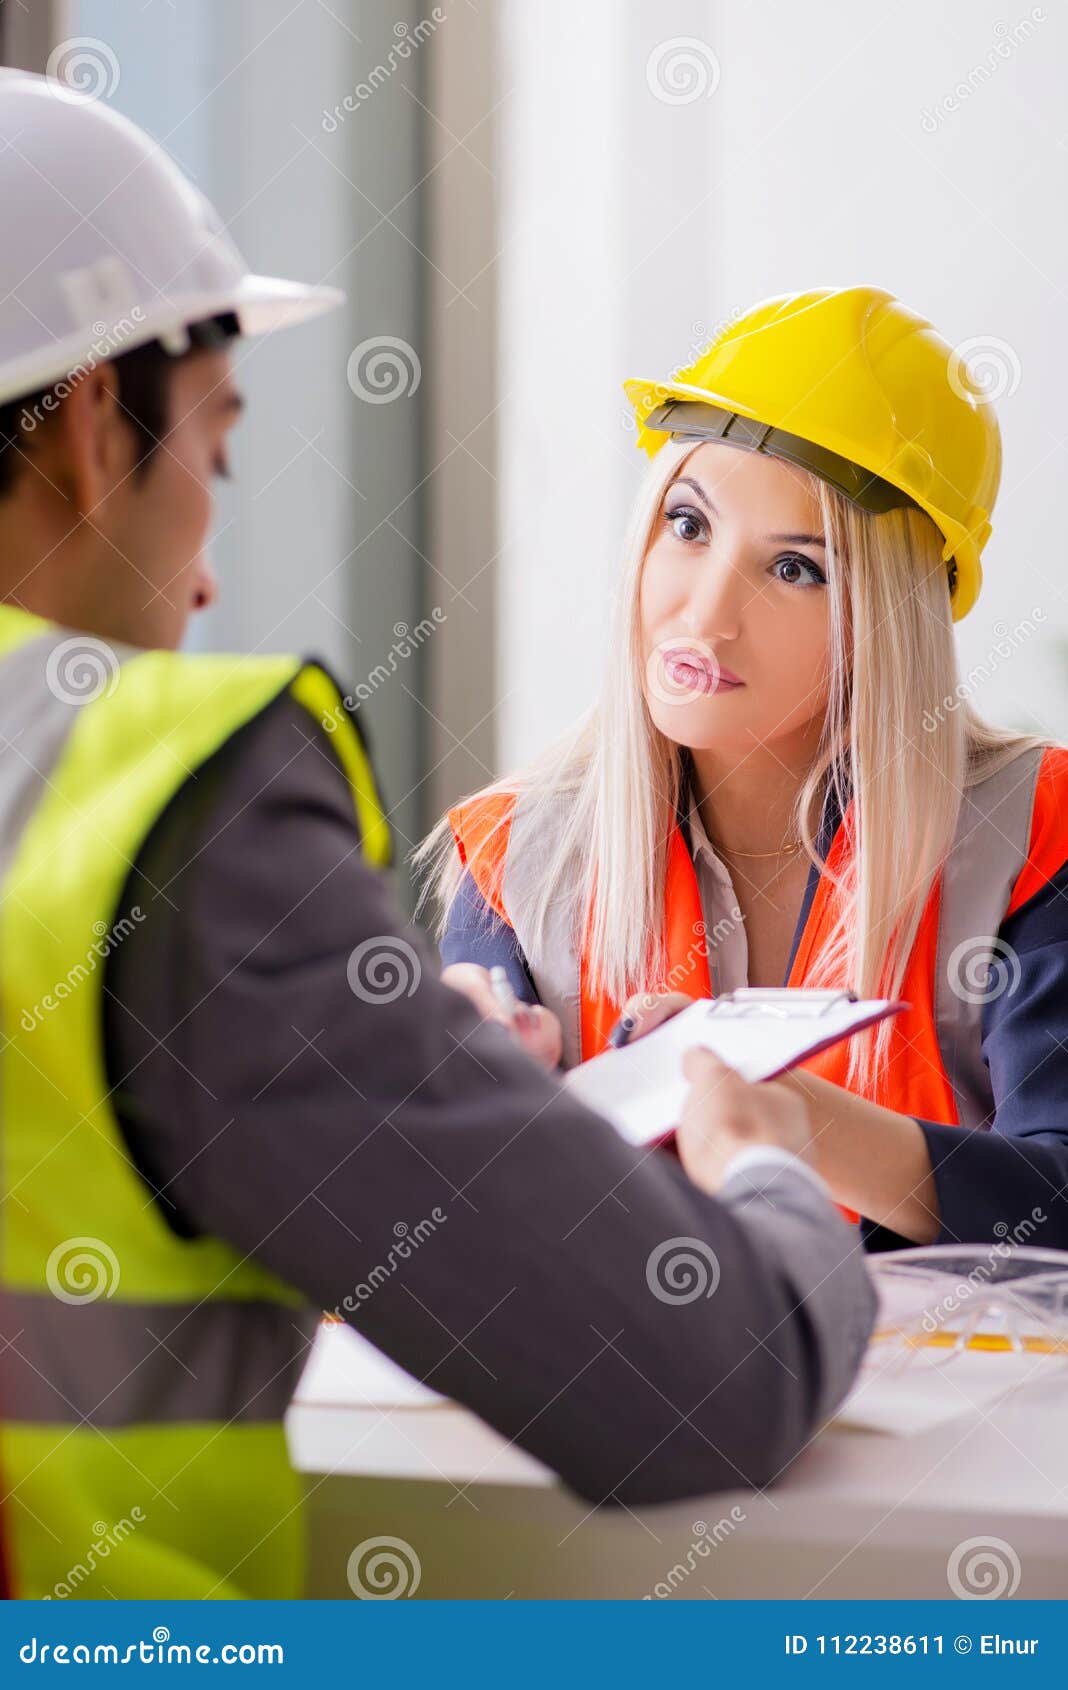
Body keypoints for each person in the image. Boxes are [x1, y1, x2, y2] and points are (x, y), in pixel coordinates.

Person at [0, 75, 875, 1600]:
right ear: (88, 431)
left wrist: (380, 1078)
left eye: (792, 564)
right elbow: (704, 1374)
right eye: (214, 451)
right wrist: (770, 1175)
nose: (207, 578)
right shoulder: (139, 795)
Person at [424, 285, 1068, 1255]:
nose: (706, 612)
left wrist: (807, 1126)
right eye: (688, 526)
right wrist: (444, 1120)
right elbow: (453, 1253)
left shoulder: (1032, 831)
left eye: (795, 568)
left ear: (886, 624)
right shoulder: (518, 856)